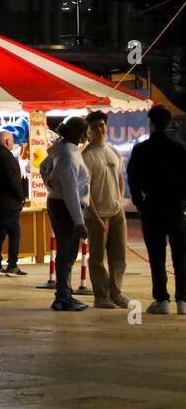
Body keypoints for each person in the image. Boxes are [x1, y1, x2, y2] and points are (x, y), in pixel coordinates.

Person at [126, 104, 186, 315]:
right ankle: (183, 301)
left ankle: (162, 300)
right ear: (168, 123)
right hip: (176, 208)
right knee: (181, 255)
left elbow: (133, 179)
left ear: (151, 123)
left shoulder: (141, 150)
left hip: (152, 207)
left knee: (156, 255)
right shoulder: (179, 148)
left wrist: (139, 203)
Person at [40, 116, 91, 312]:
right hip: (66, 206)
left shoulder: (61, 149)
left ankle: (65, 294)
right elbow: (71, 191)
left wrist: (49, 183)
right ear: (78, 133)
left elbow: (43, 167)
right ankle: (63, 296)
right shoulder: (69, 155)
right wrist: (79, 222)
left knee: (66, 251)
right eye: (84, 132)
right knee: (67, 252)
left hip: (58, 202)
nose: (86, 135)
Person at [81, 111, 128, 308]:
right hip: (97, 214)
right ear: (88, 131)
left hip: (117, 212)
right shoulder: (86, 156)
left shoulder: (113, 152)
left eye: (102, 125)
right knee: (98, 258)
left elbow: (119, 179)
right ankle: (101, 296)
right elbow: (85, 191)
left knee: (119, 256)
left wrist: (120, 201)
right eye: (95, 127)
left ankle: (116, 292)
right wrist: (96, 217)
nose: (100, 129)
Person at [0, 130, 27, 277]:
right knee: (15, 233)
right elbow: (14, 181)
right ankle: (12, 266)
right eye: (12, 140)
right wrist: (21, 197)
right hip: (8, 203)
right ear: (7, 142)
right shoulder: (7, 157)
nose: (13, 143)